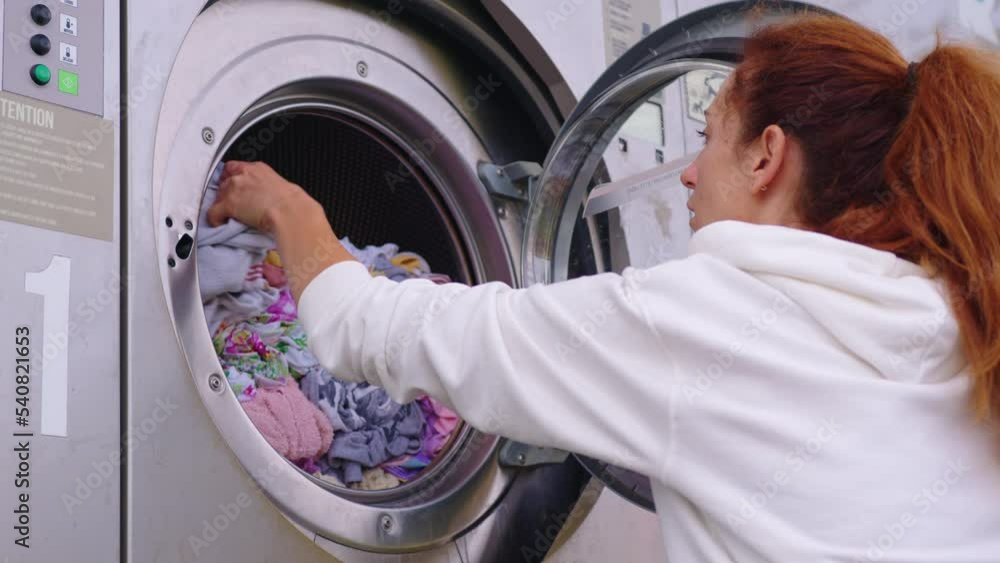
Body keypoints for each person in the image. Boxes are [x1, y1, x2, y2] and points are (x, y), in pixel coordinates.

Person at [206, 13, 1000, 563]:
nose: (688, 172)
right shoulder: (964, 323)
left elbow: (371, 327)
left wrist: (289, 207)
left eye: (707, 136)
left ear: (767, 156)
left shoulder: (713, 321)